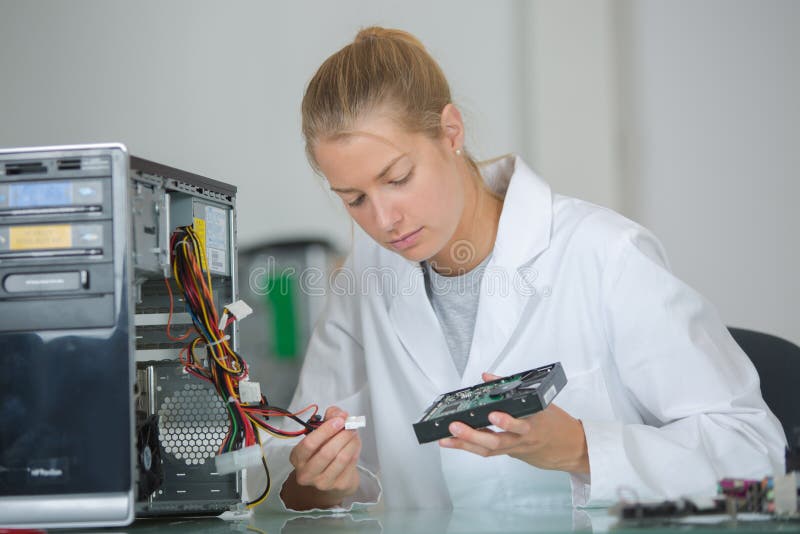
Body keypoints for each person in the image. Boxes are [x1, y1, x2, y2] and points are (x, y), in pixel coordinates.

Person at [251, 26, 786, 512]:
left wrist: (578, 447)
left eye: (398, 178)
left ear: (451, 131)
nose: (384, 220)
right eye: (353, 198)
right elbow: (287, 468)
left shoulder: (603, 253)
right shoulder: (365, 278)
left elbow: (752, 448)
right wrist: (320, 483)